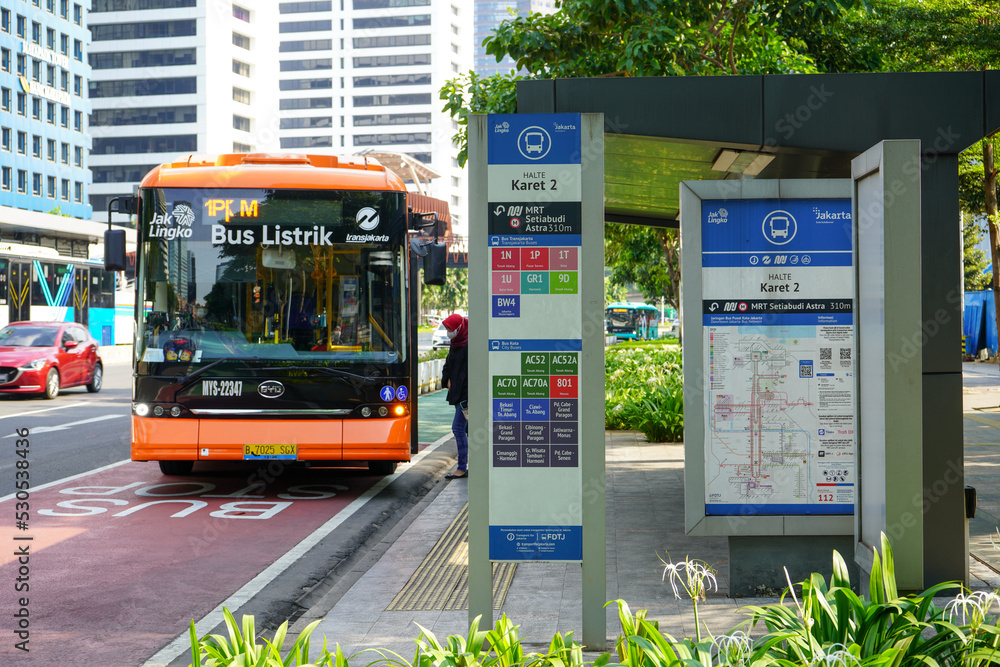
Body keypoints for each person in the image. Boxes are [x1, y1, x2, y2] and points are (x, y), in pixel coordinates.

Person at [441, 312, 468, 479]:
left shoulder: (468, 345)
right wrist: (447, 380)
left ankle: (462, 467)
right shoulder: (455, 342)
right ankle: (464, 465)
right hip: (457, 392)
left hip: (466, 395)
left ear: (459, 328)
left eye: (450, 328)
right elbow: (448, 364)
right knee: (464, 429)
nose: (448, 332)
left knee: (458, 428)